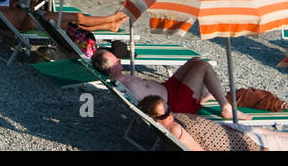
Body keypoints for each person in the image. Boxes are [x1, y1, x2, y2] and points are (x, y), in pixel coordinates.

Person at [91, 48, 233, 118]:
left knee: (195, 61)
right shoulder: (127, 86)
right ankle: (225, 107)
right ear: (113, 69)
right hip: (175, 102)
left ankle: (203, 97)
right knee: (203, 66)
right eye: (117, 61)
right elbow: (148, 107)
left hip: (168, 87)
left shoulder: (123, 78)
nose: (120, 60)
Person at [139, 95, 288, 151]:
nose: (170, 115)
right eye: (165, 114)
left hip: (234, 130)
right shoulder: (175, 130)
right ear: (155, 119)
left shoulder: (171, 120)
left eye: (169, 109)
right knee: (279, 141)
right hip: (248, 144)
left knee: (267, 131)